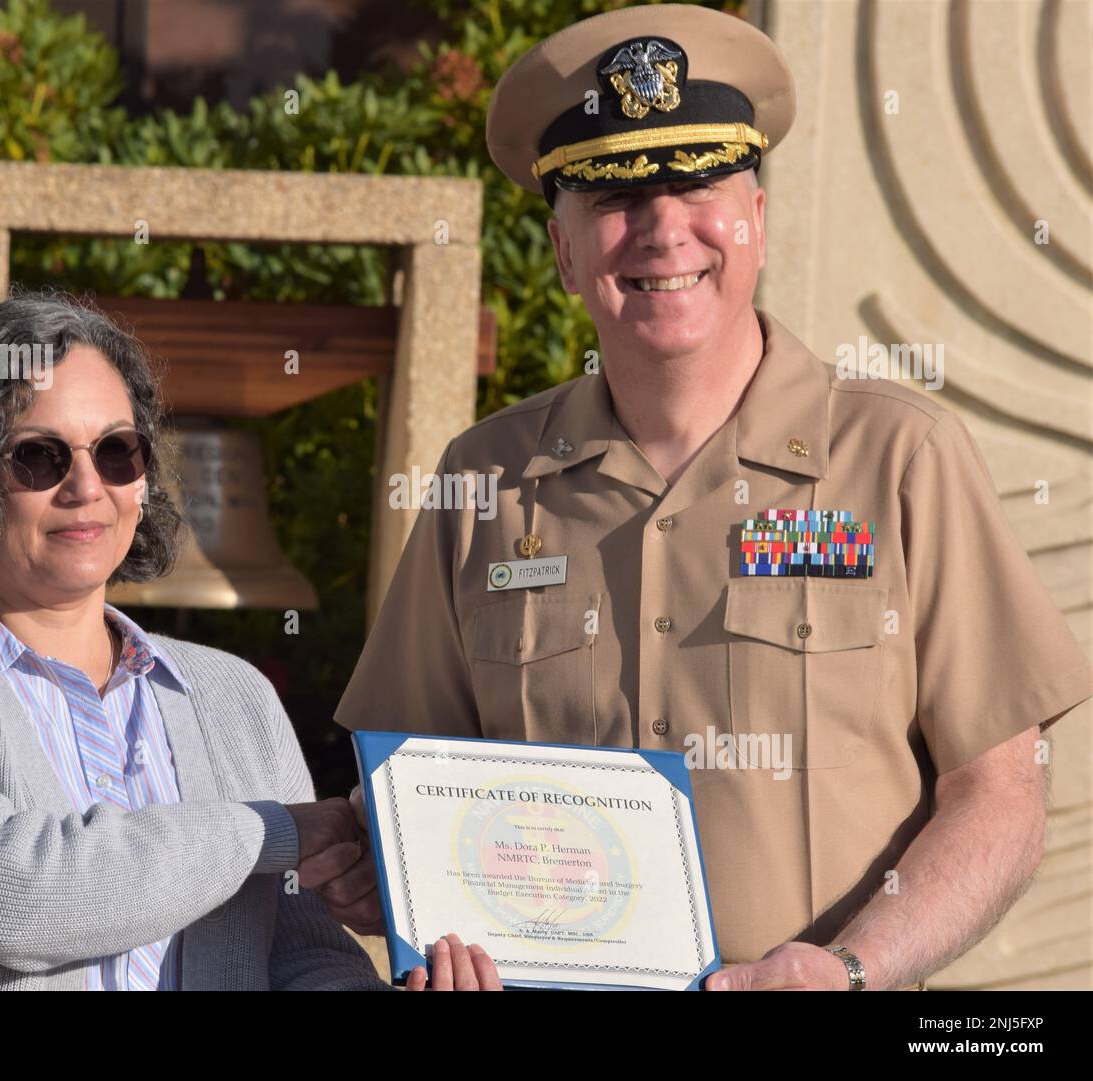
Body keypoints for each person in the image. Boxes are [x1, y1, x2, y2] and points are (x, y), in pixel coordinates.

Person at [323, 4, 1092, 990]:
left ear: (757, 222)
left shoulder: (902, 459)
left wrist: (848, 966)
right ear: (563, 252)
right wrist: (356, 870)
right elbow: (409, 795)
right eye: (608, 196)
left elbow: (999, 793)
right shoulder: (484, 483)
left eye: (696, 185)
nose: (658, 230)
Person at [0, 291, 498, 990]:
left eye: (116, 451)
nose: (86, 486)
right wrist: (271, 831)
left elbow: (304, 957)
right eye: (38, 457)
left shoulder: (235, 695)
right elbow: (2, 894)